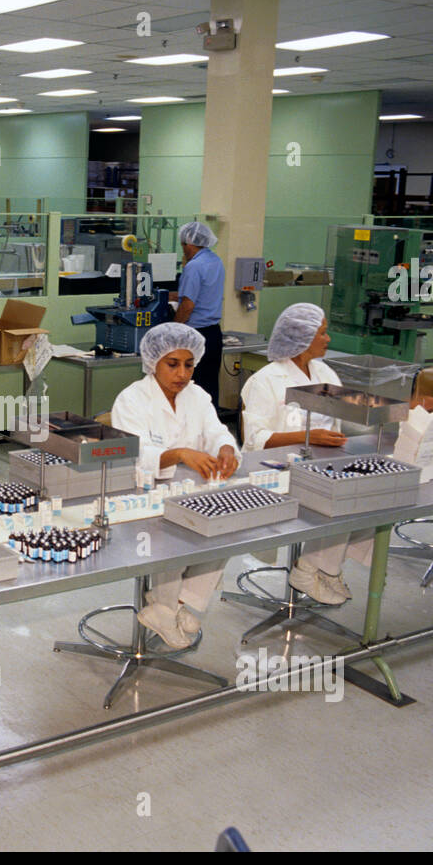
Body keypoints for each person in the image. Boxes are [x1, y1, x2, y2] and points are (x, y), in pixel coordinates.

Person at [111, 322, 241, 649]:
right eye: (173, 364)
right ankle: (167, 606)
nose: (182, 373)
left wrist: (226, 447)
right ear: (153, 361)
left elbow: (216, 431)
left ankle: (182, 607)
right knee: (171, 537)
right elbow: (135, 455)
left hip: (190, 492)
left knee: (227, 528)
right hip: (139, 496)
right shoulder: (131, 400)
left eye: (188, 364)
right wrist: (181, 454)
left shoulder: (196, 396)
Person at [240, 303, 373, 605]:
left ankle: (321, 567)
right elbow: (256, 438)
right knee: (334, 500)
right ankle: (315, 568)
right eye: (323, 333)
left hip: (322, 461)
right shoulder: (265, 380)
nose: (328, 339)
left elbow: (339, 416)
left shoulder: (324, 372)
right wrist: (309, 437)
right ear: (301, 339)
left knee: (363, 496)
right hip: (273, 469)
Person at [170, 221, 225, 405]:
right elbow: (204, 291)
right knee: (209, 387)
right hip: (213, 334)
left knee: (191, 388)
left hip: (195, 336)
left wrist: (173, 330)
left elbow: (187, 305)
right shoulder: (215, 261)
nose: (183, 249)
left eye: (183, 245)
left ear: (189, 243)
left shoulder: (194, 267)